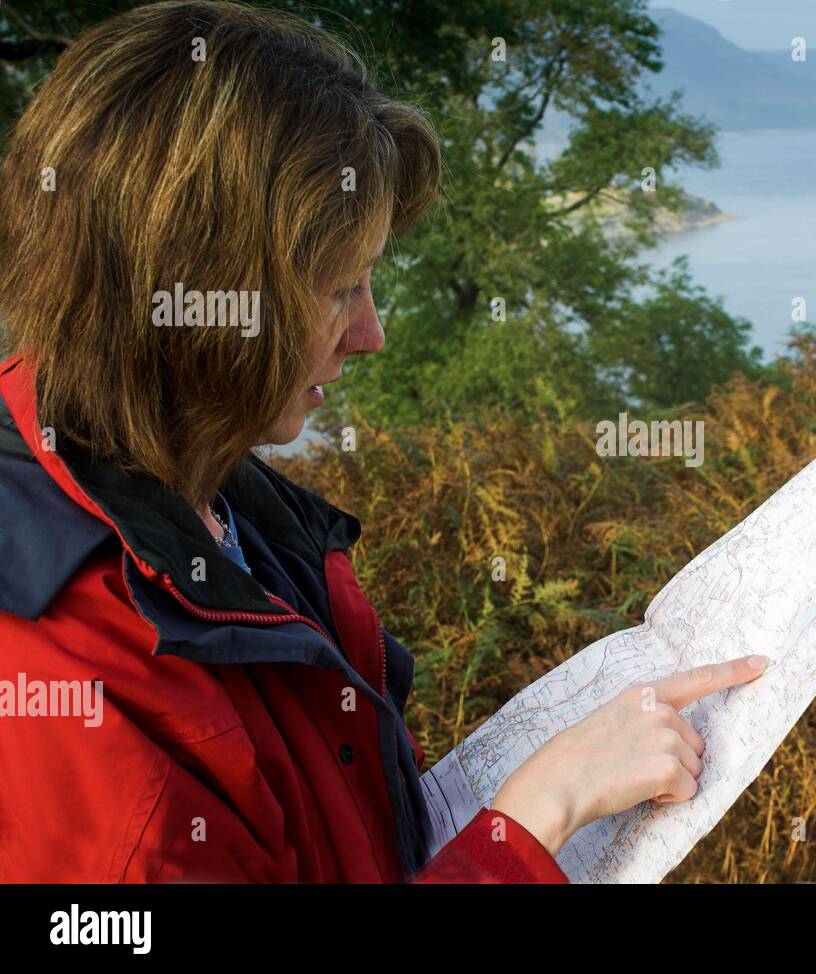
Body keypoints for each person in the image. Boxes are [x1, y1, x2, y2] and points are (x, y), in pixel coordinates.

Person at [0, 0, 767, 883]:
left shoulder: (221, 496)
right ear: (203, 305)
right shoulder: (67, 674)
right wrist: (537, 814)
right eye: (339, 289)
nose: (371, 335)